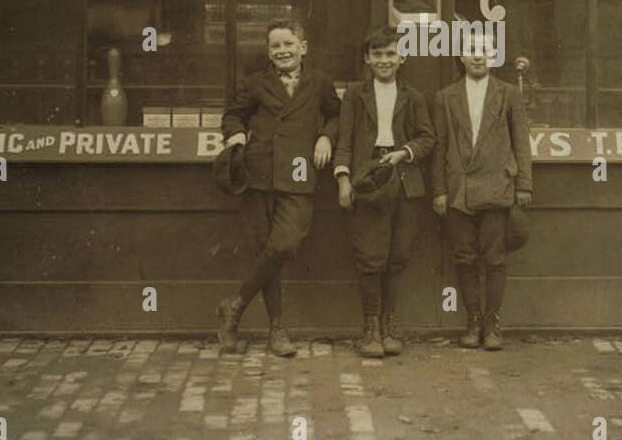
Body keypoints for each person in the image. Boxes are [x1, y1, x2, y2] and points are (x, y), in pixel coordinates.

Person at [217, 19, 340, 357]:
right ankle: (277, 330)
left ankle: (235, 304)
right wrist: (237, 133)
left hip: (299, 174)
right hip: (259, 173)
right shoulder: (256, 83)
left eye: (289, 44)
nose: (283, 51)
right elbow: (232, 114)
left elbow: (336, 115)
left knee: (284, 244)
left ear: (303, 47)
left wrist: (326, 137)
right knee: (266, 250)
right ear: (268, 53)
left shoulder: (319, 83)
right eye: (276, 46)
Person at [334, 26, 435, 358]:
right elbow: (344, 141)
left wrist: (404, 152)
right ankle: (371, 329)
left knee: (397, 256)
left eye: (390, 54)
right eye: (377, 54)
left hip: (405, 180)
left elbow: (427, 138)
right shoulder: (354, 95)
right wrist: (344, 180)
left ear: (402, 57)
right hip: (368, 179)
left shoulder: (414, 97)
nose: (384, 60)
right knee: (370, 258)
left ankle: (389, 326)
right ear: (367, 58)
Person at [430, 26, 532, 350]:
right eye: (471, 49)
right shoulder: (445, 97)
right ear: (461, 56)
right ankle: (472, 319)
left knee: (495, 258)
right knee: (464, 257)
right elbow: (440, 146)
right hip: (459, 189)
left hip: (496, 188)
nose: (478, 55)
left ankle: (492, 323)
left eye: (485, 49)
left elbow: (521, 142)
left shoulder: (508, 94)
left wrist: (524, 185)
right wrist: (439, 191)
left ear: (494, 56)